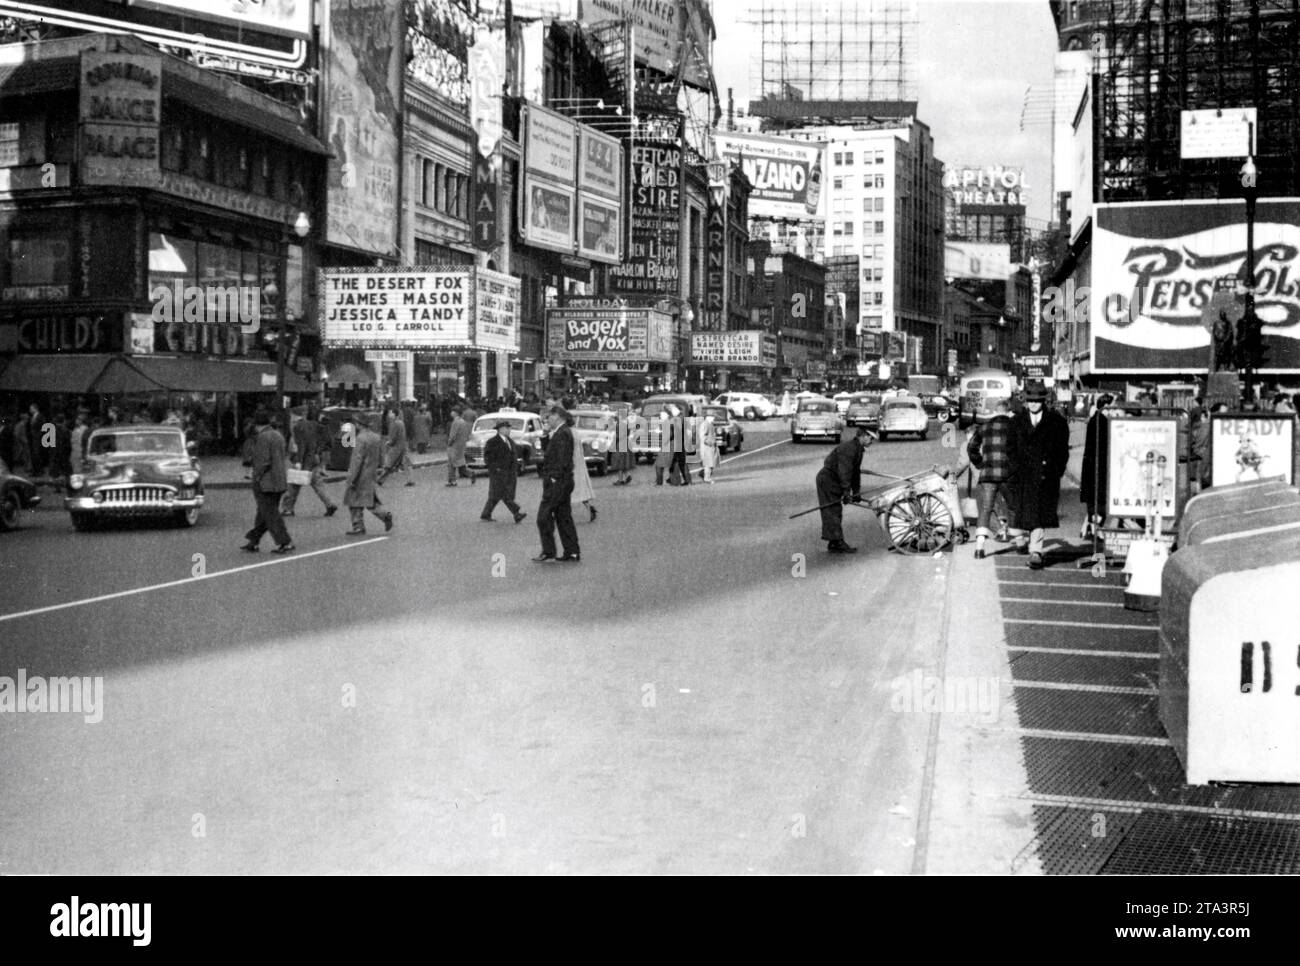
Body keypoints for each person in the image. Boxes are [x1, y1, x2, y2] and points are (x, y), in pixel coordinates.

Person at [1005, 382, 1070, 570]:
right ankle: (1026, 543)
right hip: (1024, 477)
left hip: (1045, 477)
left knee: (1038, 516)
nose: (1033, 403)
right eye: (1030, 400)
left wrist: (1056, 471)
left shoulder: (1056, 422)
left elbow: (1062, 451)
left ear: (1044, 400)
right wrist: (1015, 470)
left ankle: (1036, 551)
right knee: (1026, 514)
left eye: (1037, 400)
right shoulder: (1016, 422)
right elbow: (1010, 449)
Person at [967, 397, 1016, 559]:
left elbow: (971, 447)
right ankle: (1019, 541)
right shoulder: (1013, 427)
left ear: (996, 411)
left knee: (985, 510)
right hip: (1007, 474)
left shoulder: (984, 427)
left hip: (987, 474)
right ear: (1009, 411)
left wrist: (980, 463)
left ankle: (979, 548)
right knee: (1013, 506)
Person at [240, 408, 294, 554]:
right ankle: (254, 540)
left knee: (270, 514)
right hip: (279, 479)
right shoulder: (278, 435)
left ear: (257, 424)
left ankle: (285, 541)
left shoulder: (263, 437)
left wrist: (256, 476)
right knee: (263, 512)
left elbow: (263, 461)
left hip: (266, 481)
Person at [534, 405, 580, 563]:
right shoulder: (561, 432)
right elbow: (549, 453)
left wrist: (554, 477)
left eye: (550, 418)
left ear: (558, 417)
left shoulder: (562, 434)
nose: (548, 421)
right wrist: (545, 436)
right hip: (563, 481)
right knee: (563, 516)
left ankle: (549, 551)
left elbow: (562, 458)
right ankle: (572, 551)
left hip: (558, 482)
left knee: (543, 516)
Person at [816, 425, 870, 554]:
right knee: (832, 510)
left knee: (835, 510)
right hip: (828, 480)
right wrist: (846, 491)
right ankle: (837, 542)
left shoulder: (858, 449)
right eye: (870, 438)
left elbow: (855, 472)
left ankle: (834, 541)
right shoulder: (849, 448)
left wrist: (856, 491)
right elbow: (844, 472)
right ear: (862, 436)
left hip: (835, 480)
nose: (872, 441)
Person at [281, 405, 338, 517]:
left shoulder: (297, 427)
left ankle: (288, 509)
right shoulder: (314, 424)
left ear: (295, 416)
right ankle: (329, 504)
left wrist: (298, 461)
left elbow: (300, 445)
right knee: (318, 484)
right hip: (313, 459)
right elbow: (325, 437)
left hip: (303, 461)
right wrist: (318, 451)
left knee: (293, 487)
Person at [343, 412, 393, 535]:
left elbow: (357, 460)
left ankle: (358, 526)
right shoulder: (376, 437)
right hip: (371, 473)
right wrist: (381, 467)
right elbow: (381, 455)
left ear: (359, 424)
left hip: (360, 475)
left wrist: (351, 478)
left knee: (353, 501)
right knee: (369, 500)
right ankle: (384, 514)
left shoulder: (360, 438)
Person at [1079, 393, 1115, 536]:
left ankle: (1089, 528)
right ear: (1106, 406)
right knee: (1098, 501)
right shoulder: (1102, 422)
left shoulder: (1097, 419)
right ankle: (1095, 530)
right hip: (1098, 467)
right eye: (1112, 406)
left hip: (1094, 466)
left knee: (1095, 501)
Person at [480, 420, 527, 523]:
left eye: (509, 428)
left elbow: (513, 454)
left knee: (495, 496)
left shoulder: (509, 440)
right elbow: (488, 458)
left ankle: (486, 514)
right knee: (505, 494)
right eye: (507, 428)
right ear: (500, 430)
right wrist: (495, 468)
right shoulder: (493, 442)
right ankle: (516, 513)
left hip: (510, 472)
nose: (509, 430)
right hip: (498, 473)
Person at [379, 403, 413, 487]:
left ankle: (380, 479)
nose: (390, 414)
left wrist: (388, 443)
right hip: (403, 447)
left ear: (395, 414)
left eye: (391, 413)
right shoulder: (401, 423)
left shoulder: (394, 424)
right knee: (407, 464)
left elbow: (393, 438)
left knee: (388, 465)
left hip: (396, 448)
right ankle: (410, 480)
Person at [445, 407, 473, 486]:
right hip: (461, 445)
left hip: (454, 446)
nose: (451, 413)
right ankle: (470, 474)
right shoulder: (463, 422)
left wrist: (449, 443)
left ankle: (452, 481)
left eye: (452, 411)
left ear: (456, 413)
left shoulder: (456, 422)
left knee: (451, 464)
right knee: (460, 465)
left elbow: (453, 435)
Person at [610, 410, 635, 485]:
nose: (616, 416)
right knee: (624, 461)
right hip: (626, 443)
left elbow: (618, 436)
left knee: (619, 462)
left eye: (618, 415)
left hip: (620, 444)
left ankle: (620, 480)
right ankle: (627, 475)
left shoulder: (619, 425)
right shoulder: (626, 423)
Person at [697, 409, 719, 484]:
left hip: (711, 447)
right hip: (707, 447)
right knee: (708, 464)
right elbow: (702, 436)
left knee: (711, 463)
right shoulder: (705, 424)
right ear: (708, 417)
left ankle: (703, 475)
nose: (714, 418)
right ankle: (707, 478)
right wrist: (709, 442)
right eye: (713, 416)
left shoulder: (710, 424)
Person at [653, 409, 674, 486]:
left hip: (666, 447)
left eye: (662, 414)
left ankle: (659, 482)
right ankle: (663, 481)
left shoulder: (666, 423)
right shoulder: (665, 422)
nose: (661, 416)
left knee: (658, 465)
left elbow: (669, 435)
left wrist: (663, 443)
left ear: (667, 415)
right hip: (667, 446)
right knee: (662, 465)